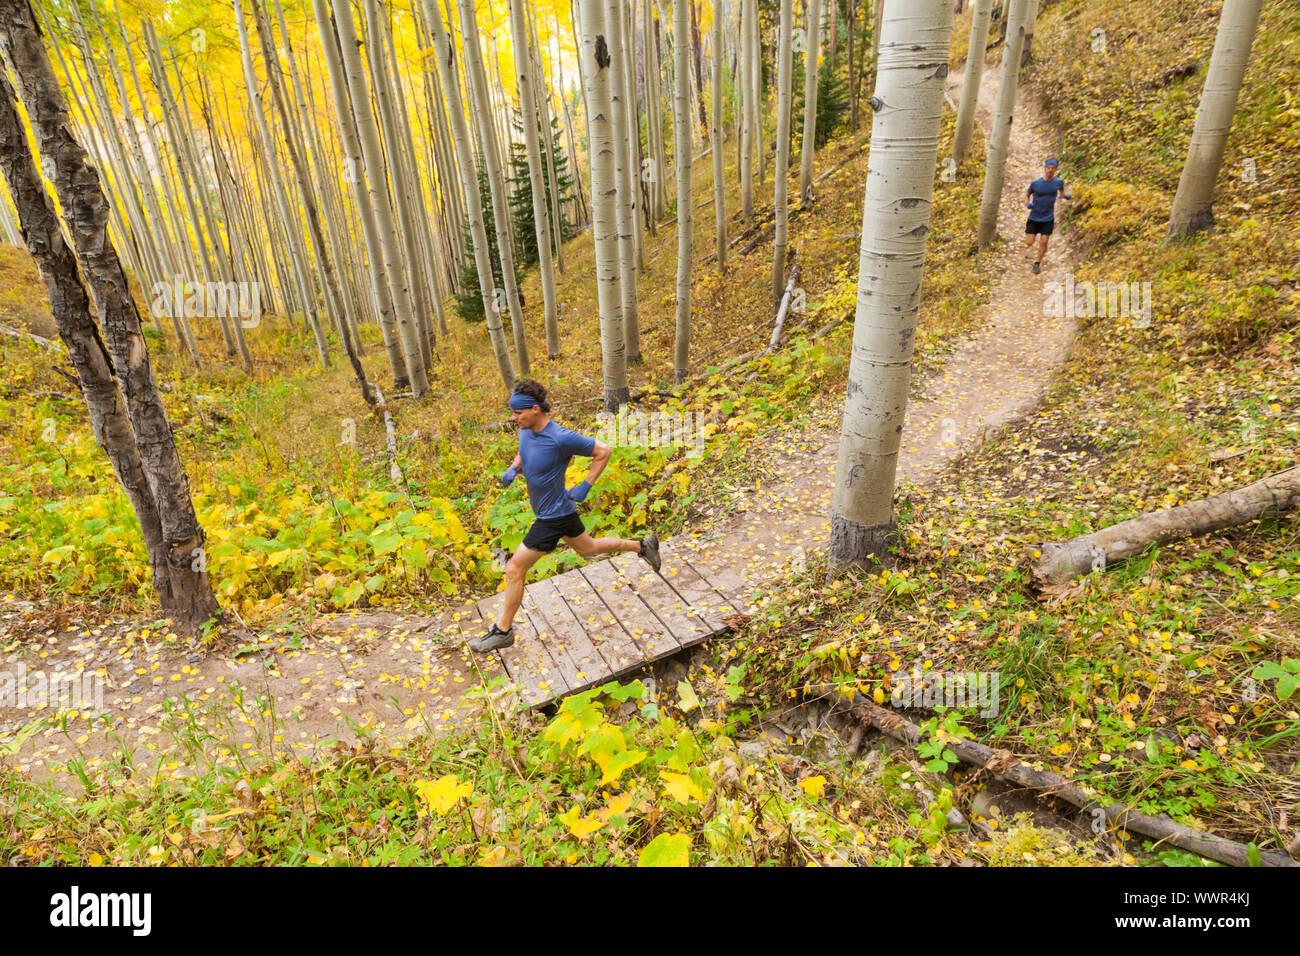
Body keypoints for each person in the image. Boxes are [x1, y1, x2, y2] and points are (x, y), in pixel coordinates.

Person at [469, 379, 661, 653]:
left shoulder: (561, 437)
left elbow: (603, 451)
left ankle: (503, 631)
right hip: (557, 511)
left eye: (517, 413)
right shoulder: (526, 429)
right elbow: (525, 451)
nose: (513, 418)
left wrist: (585, 485)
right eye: (512, 413)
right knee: (589, 548)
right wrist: (515, 467)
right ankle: (643, 545)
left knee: (514, 569)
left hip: (552, 517)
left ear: (535, 409)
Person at [1024, 157, 1072, 274]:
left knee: (1044, 241)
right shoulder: (1036, 183)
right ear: (1045, 169)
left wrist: (1065, 196)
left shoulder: (1058, 182)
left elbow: (1061, 192)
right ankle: (1031, 249)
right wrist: (1027, 203)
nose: (1050, 170)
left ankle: (1037, 263)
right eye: (1048, 168)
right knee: (1029, 242)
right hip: (1034, 217)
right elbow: (1027, 194)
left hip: (1048, 217)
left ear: (1055, 170)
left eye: (1053, 168)